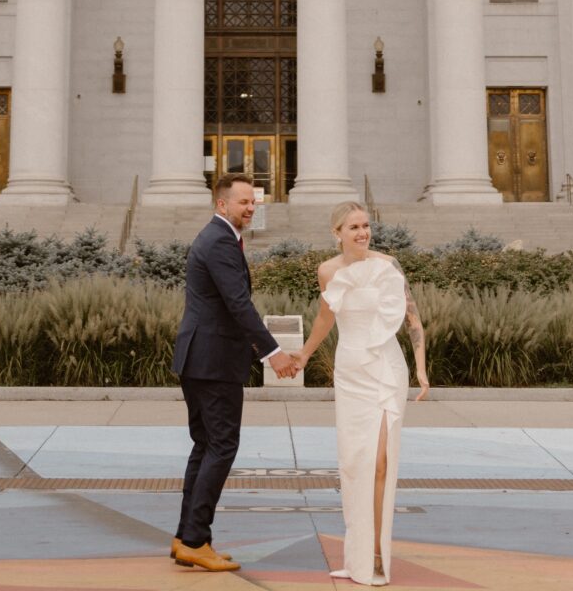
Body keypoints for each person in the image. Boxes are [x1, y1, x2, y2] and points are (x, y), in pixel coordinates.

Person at [290, 201, 429, 587]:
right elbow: (325, 317)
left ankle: (378, 559)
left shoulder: (388, 265)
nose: (363, 233)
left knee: (381, 462)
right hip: (350, 371)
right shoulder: (328, 271)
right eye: (354, 227)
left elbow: (412, 319)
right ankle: (356, 560)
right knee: (355, 463)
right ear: (337, 233)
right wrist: (303, 354)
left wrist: (420, 368)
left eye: (366, 226)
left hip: (386, 370)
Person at [171, 173, 298, 572]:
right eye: (244, 201)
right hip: (213, 362)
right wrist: (273, 353)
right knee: (222, 446)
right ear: (222, 204)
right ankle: (193, 539)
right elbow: (238, 304)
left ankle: (188, 537)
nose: (251, 207)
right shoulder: (220, 241)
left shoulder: (217, 237)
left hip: (201, 359)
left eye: (254, 201)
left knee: (205, 446)